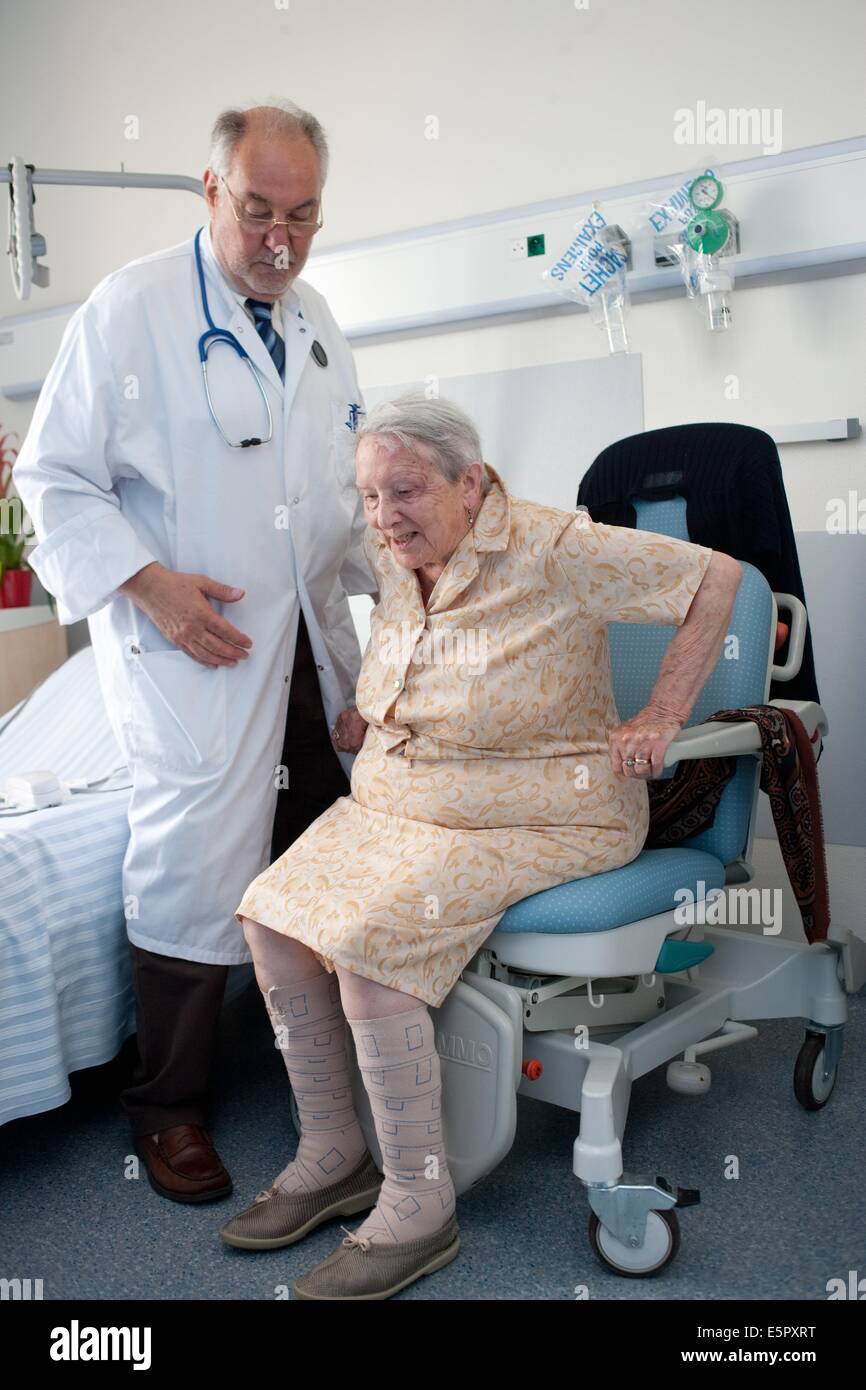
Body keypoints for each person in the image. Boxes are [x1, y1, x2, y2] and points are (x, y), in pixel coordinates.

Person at [221, 390, 743, 1299]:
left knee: (373, 951)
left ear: (470, 484)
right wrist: (372, 713)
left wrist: (661, 711)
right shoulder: (400, 558)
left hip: (539, 812)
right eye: (372, 496)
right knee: (268, 915)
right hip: (402, 807)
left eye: (407, 492)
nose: (386, 517)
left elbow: (718, 578)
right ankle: (336, 1150)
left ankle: (420, 1206)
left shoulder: (553, 546)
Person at [13, 101, 376, 1203]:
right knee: (189, 875)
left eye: (303, 217)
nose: (281, 239)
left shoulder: (315, 319)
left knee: (328, 854)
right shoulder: (132, 309)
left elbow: (342, 491)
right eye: (258, 211)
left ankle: (328, 1084)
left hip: (311, 646)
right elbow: (52, 480)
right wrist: (149, 585)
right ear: (209, 192)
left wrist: (406, 572)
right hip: (196, 656)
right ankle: (166, 1108)